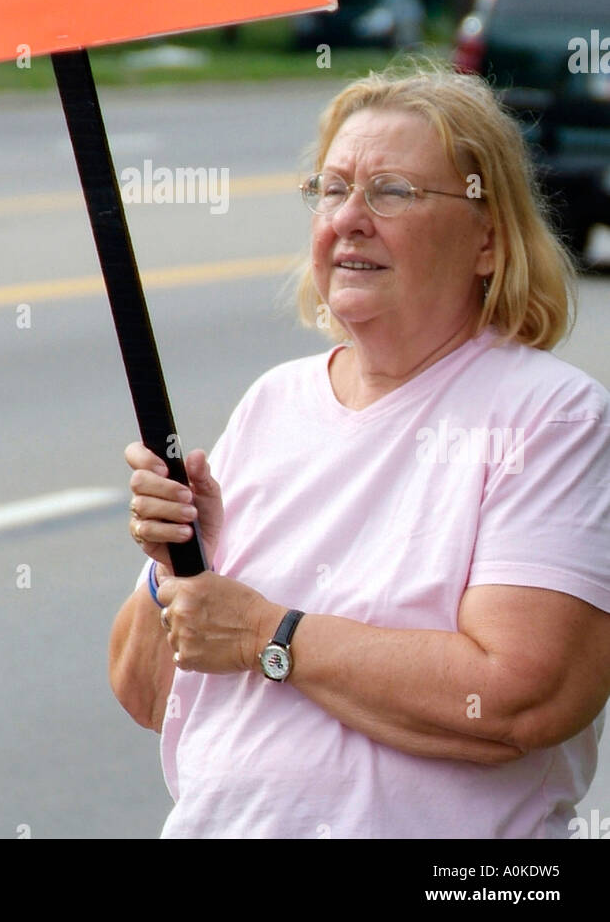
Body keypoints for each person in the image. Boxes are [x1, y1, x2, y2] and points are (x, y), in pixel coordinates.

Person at [108, 59, 610, 839]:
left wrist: (269, 636)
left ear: (488, 237)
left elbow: (520, 700)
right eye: (333, 188)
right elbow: (145, 693)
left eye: (393, 191)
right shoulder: (274, 403)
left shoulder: (549, 418)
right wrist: (180, 556)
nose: (349, 217)